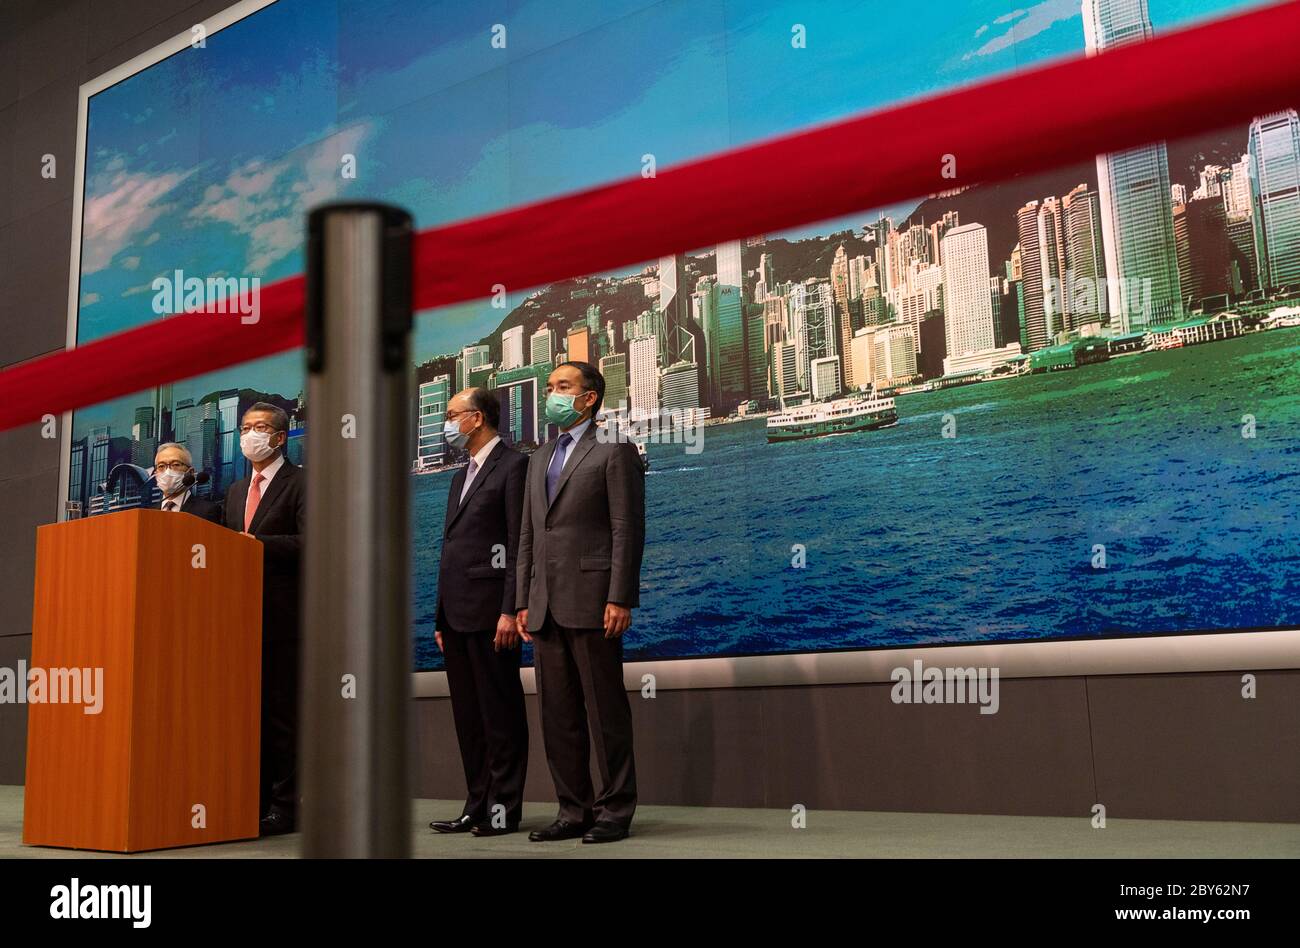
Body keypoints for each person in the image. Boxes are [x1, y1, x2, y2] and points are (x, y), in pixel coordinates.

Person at [515, 361, 645, 844]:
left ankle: (615, 811)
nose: (552, 394)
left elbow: (627, 528)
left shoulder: (614, 450)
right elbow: (529, 534)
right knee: (558, 714)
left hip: (594, 601)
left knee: (605, 712)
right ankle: (574, 810)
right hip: (544, 605)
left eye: (562, 386)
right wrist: (523, 599)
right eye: (549, 388)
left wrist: (619, 596)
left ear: (590, 397)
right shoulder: (538, 457)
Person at [429, 387, 530, 838]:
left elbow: (516, 544)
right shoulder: (458, 476)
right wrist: (438, 617)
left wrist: (510, 610)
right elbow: (451, 549)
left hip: (493, 614)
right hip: (455, 615)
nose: (446, 423)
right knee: (468, 718)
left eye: (453, 414)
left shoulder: (514, 465)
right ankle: (475, 803)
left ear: (478, 418)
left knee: (500, 713)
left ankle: (503, 809)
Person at [222, 402, 304, 836]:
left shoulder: (302, 481)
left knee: (283, 714)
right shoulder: (235, 490)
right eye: (245, 427)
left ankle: (287, 807)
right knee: (247, 714)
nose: (249, 435)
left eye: (259, 428)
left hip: (285, 618)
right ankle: (250, 802)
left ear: (279, 437)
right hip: (239, 619)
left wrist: (256, 544)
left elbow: (314, 541)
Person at [152, 442, 221, 523]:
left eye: (175, 464)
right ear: (155, 473)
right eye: (161, 466)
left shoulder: (207, 511)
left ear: (190, 472)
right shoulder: (147, 513)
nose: (168, 471)